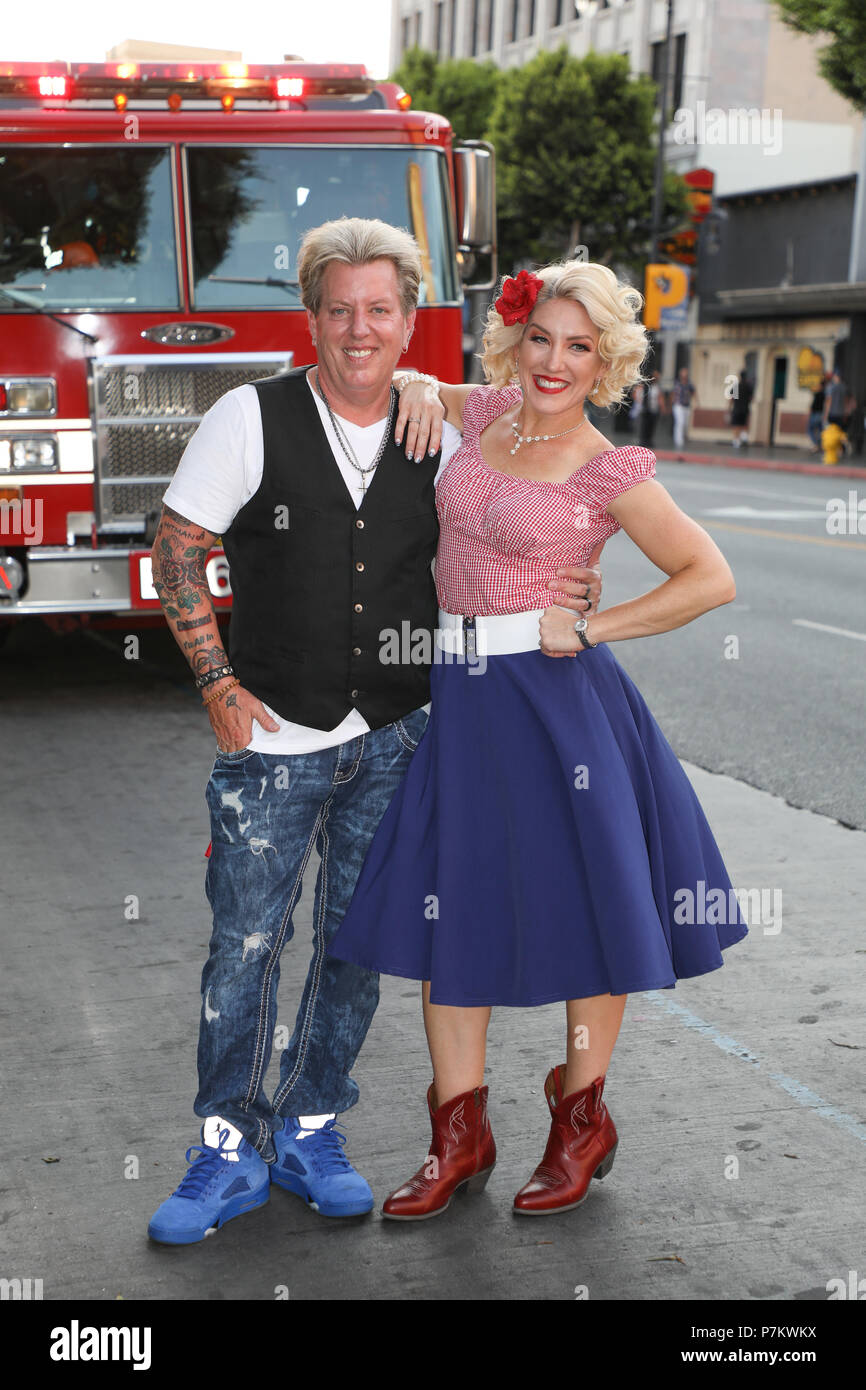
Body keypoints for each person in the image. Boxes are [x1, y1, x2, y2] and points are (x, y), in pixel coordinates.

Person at [144, 220, 599, 1244]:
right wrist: (214, 680)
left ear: (406, 321)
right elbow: (177, 549)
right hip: (269, 740)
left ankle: (311, 1132)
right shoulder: (246, 417)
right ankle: (222, 1154)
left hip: (397, 732)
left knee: (356, 951)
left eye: (380, 309)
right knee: (244, 951)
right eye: (339, 308)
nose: (360, 328)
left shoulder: (440, 429)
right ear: (310, 316)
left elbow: (519, 516)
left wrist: (575, 585)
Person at [328, 260, 748, 1220]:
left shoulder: (609, 467)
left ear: (605, 361)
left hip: (561, 706)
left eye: (580, 346)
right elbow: (407, 383)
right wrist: (421, 385)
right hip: (464, 700)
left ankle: (580, 1121)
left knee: (595, 910)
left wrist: (594, 624)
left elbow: (709, 577)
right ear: (514, 342)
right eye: (541, 339)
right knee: (450, 909)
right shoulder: (482, 417)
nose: (554, 362)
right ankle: (458, 1134)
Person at [671, 365, 697, 450]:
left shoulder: (689, 384)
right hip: (678, 405)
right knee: (680, 422)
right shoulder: (676, 382)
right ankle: (678, 440)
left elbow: (694, 393)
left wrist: (696, 403)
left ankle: (682, 437)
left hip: (686, 405)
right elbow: (673, 393)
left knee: (685, 423)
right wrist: (671, 402)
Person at [637, 369, 661, 447]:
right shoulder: (646, 386)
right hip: (645, 409)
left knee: (651, 426)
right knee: (644, 426)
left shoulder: (657, 387)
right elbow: (638, 394)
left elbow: (659, 397)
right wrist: (640, 403)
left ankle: (649, 441)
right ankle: (643, 441)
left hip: (654, 409)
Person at [730, 369, 753, 448]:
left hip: (737, 408)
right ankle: (744, 436)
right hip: (745, 408)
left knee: (736, 425)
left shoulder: (736, 386)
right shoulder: (748, 386)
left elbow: (732, 398)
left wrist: (729, 408)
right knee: (744, 424)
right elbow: (751, 398)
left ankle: (736, 441)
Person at [807, 376, 827, 454]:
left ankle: (816, 444)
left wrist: (809, 413)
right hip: (821, 414)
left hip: (815, 414)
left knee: (810, 429)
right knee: (821, 431)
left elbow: (813, 405)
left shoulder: (818, 394)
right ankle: (821, 446)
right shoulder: (824, 394)